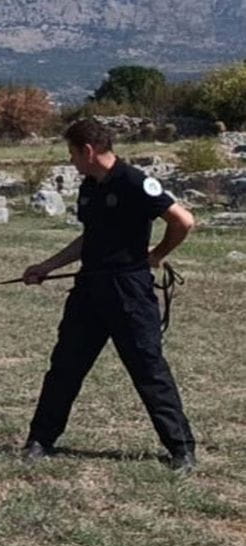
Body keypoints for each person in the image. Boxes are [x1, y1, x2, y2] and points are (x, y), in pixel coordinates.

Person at [21, 118, 197, 473]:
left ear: (87, 150)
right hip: (89, 289)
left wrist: (159, 254)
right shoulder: (90, 187)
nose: (71, 161)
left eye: (71, 153)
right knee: (65, 367)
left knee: (148, 369)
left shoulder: (134, 181)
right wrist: (46, 266)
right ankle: (41, 439)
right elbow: (90, 238)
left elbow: (183, 220)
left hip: (129, 291)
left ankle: (181, 448)